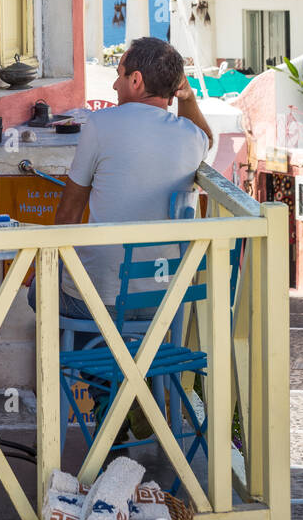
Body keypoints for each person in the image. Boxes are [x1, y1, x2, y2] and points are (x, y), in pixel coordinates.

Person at [29, 36, 213, 320]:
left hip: (101, 298)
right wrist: (187, 97)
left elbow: (70, 211)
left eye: (119, 75)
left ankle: (88, 362)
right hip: (163, 299)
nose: (115, 85)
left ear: (136, 80)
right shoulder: (191, 136)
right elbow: (207, 138)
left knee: (39, 290)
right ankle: (122, 360)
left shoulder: (100, 124)